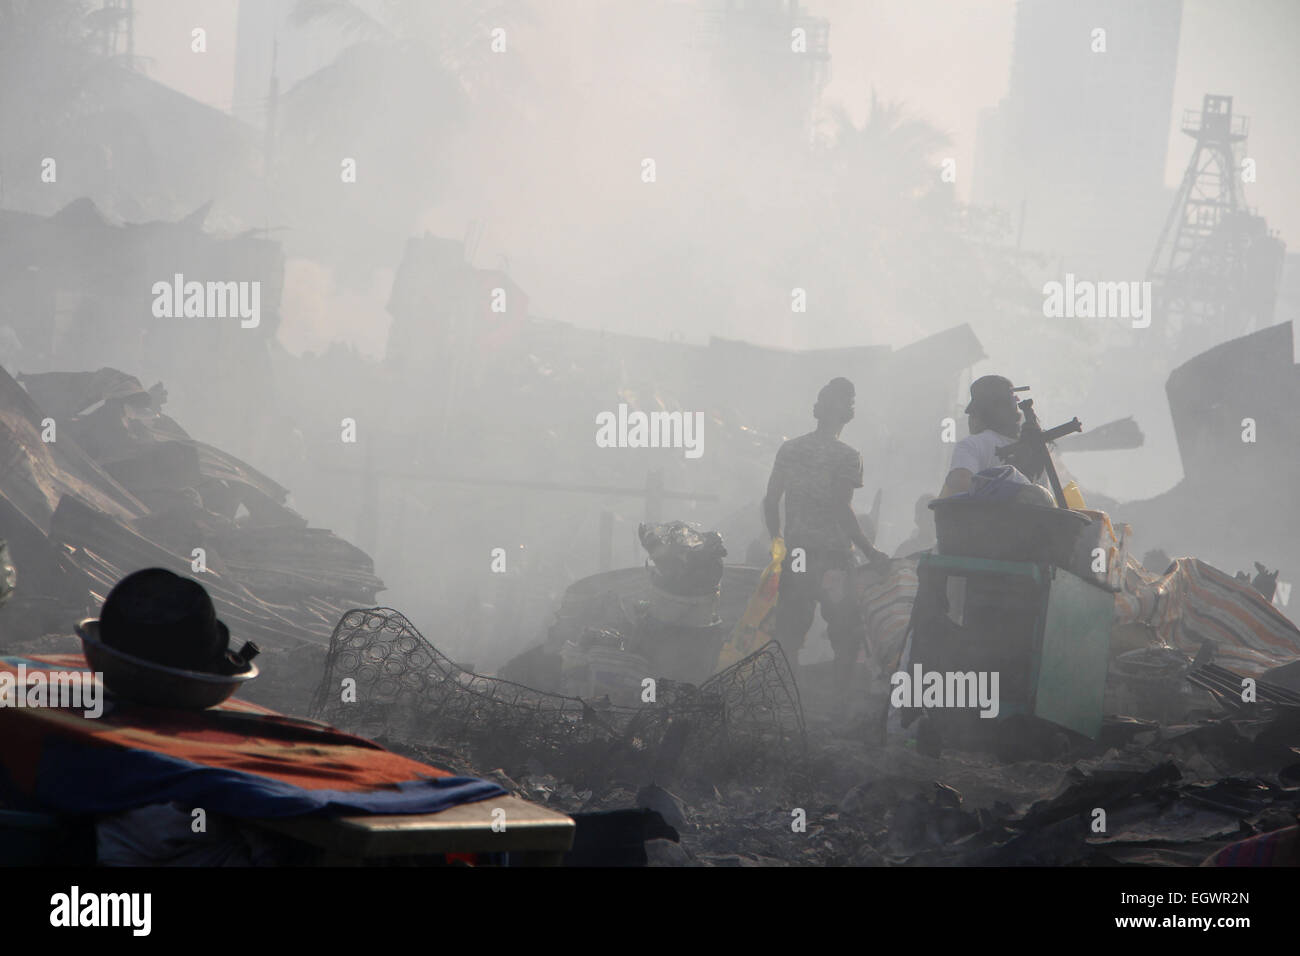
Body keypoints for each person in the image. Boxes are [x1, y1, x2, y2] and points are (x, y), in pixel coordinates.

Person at [762, 378, 887, 718]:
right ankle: (838, 707)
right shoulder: (848, 457)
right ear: (847, 414)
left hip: (798, 554)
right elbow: (840, 508)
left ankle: (785, 704)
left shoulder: (790, 449)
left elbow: (771, 500)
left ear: (817, 411)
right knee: (846, 634)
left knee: (789, 631)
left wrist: (778, 542)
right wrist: (871, 551)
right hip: (833, 557)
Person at [939, 375, 1026, 498]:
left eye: (972, 414)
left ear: (979, 414)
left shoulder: (971, 445)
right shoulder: (1038, 449)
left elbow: (959, 483)